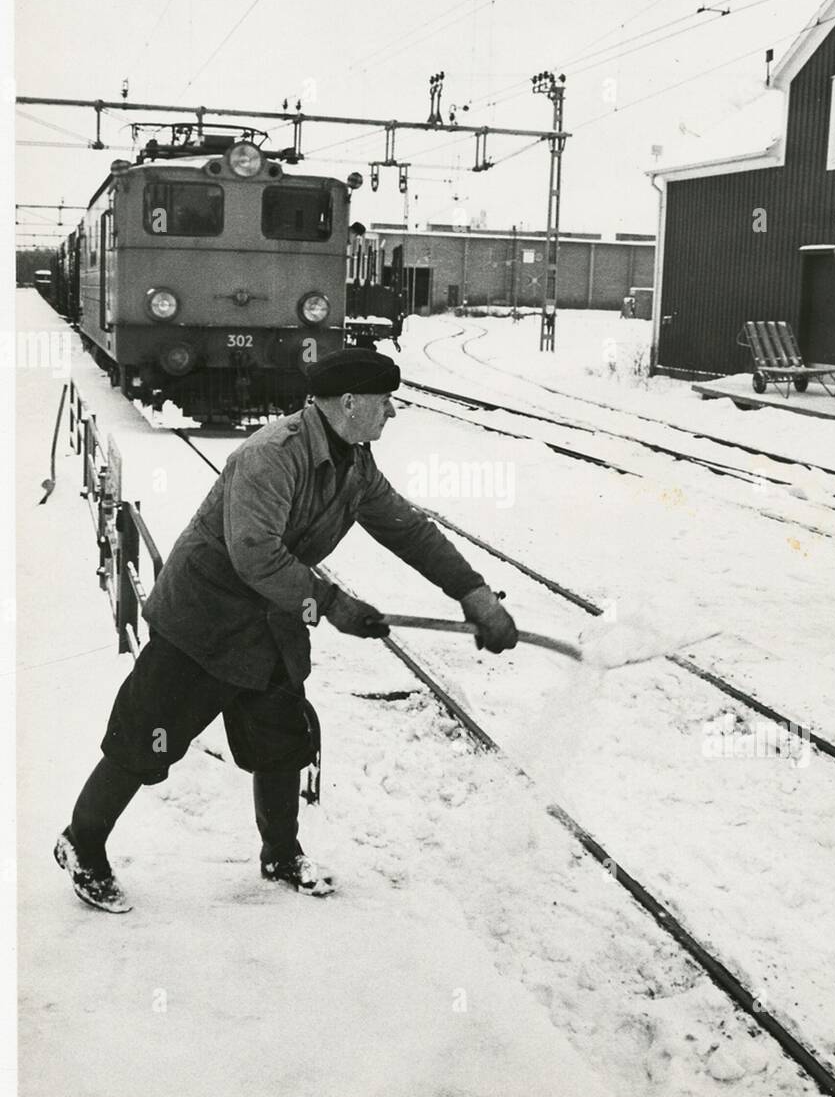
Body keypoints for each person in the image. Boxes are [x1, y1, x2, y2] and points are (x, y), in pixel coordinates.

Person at [55, 347, 518, 913]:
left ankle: (281, 853)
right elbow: (255, 553)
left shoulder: (354, 463)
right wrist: (331, 603)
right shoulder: (272, 455)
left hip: (271, 621)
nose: (391, 413)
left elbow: (408, 529)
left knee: (280, 739)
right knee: (146, 738)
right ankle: (82, 843)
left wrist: (471, 593)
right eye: (385, 402)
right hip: (203, 621)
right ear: (349, 403)